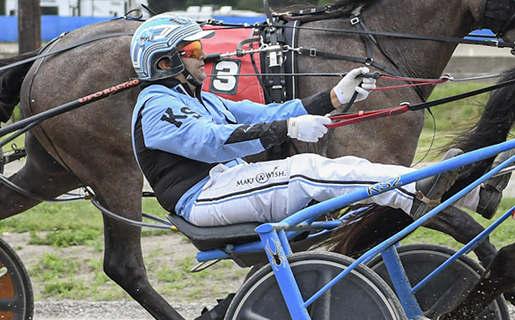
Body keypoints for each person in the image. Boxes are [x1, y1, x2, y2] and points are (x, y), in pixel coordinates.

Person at [129, 14, 458, 227]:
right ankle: (414, 194)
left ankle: (465, 189)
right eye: (194, 50)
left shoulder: (200, 98)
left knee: (339, 164)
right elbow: (211, 142)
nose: (204, 56)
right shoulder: (157, 106)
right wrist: (287, 130)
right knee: (306, 170)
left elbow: (266, 114)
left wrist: (334, 98)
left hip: (227, 183)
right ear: (163, 63)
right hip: (202, 197)